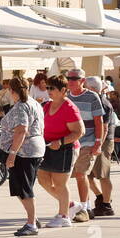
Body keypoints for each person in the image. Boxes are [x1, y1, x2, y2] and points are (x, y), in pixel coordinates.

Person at [0, 77, 45, 236]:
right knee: (22, 188)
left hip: (24, 152)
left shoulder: (21, 107)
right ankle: (33, 218)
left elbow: (21, 130)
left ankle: (31, 224)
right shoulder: (35, 103)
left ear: (11, 91)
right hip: (34, 149)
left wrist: (12, 154)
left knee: (24, 189)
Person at [37, 75, 83, 229]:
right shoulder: (46, 105)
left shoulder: (69, 108)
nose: (48, 91)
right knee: (43, 179)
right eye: (47, 87)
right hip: (48, 147)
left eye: (52, 88)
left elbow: (79, 132)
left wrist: (61, 141)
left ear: (63, 90)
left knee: (59, 183)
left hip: (65, 149)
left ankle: (64, 216)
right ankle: (69, 204)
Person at [64, 68, 104, 223]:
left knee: (81, 174)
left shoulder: (92, 96)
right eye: (69, 78)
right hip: (70, 142)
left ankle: (85, 208)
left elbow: (99, 121)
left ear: (83, 80)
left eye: (74, 78)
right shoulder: (66, 97)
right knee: (66, 177)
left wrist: (98, 143)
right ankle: (79, 206)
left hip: (87, 141)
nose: (71, 81)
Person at [85, 76, 118, 217]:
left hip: (103, 142)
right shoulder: (93, 100)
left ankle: (106, 205)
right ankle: (100, 197)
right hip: (93, 141)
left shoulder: (102, 102)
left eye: (85, 86)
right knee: (87, 175)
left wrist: (98, 145)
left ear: (91, 88)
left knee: (103, 175)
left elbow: (104, 127)